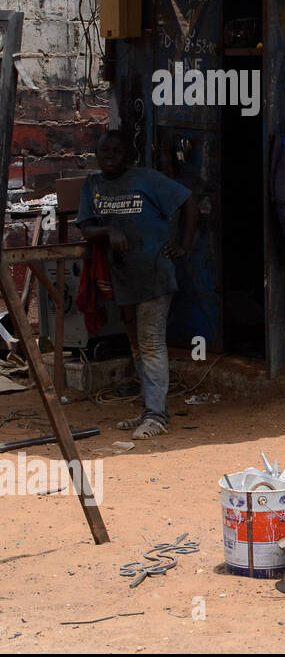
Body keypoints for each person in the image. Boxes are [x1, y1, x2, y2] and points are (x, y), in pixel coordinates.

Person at [76, 130, 198, 439]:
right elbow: (87, 229)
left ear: (127, 155)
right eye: (103, 153)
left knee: (151, 344)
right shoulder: (92, 186)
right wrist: (108, 232)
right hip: (122, 279)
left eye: (115, 153)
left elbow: (189, 201)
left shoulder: (147, 179)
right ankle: (149, 409)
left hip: (154, 274)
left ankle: (156, 416)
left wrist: (182, 245)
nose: (109, 158)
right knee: (137, 345)